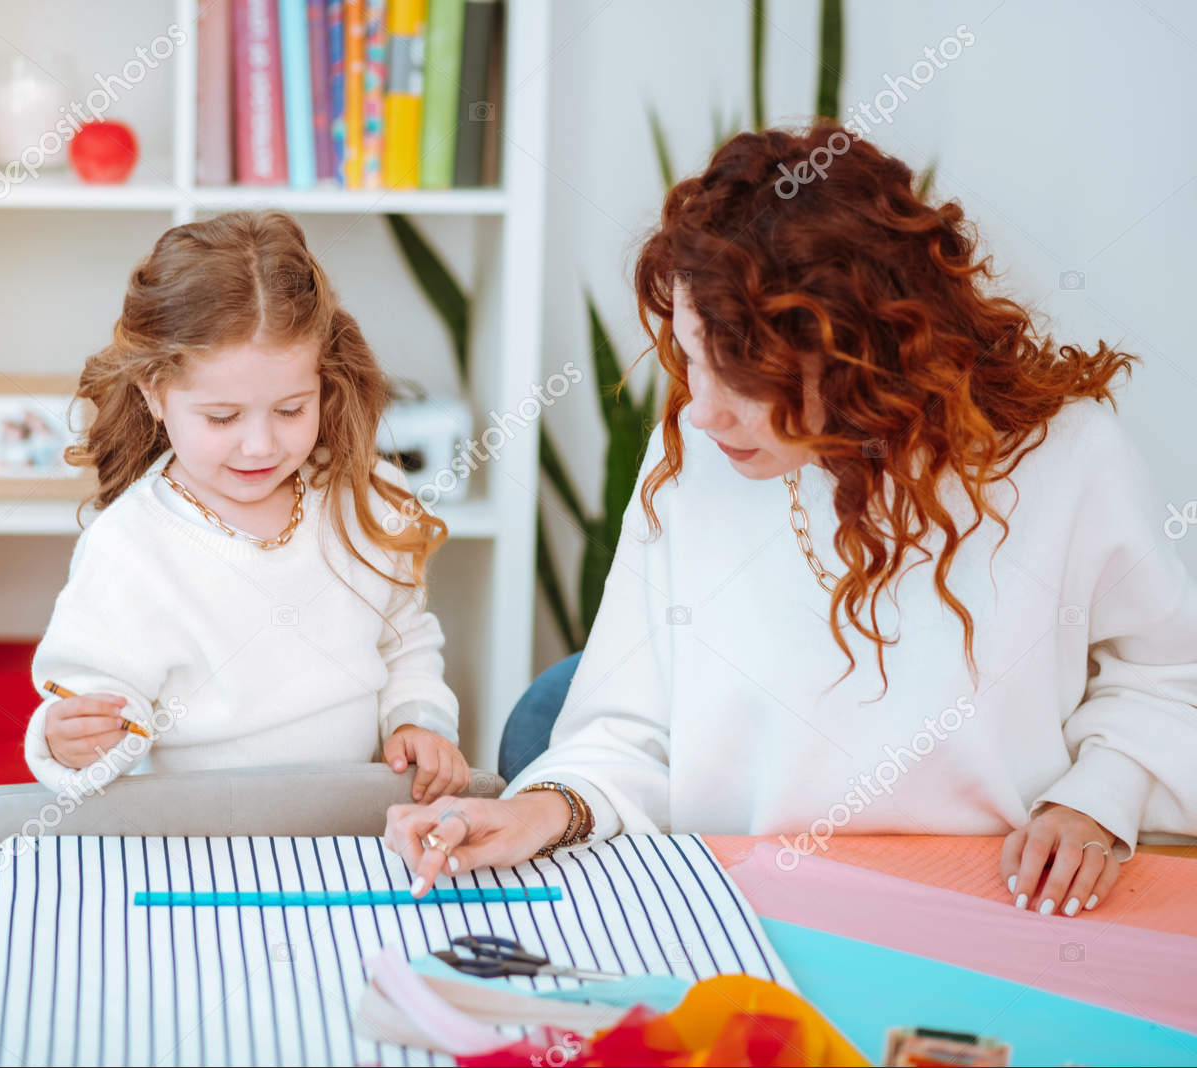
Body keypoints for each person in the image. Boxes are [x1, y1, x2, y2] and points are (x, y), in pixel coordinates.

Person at [387, 124, 1197, 913]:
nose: (700, 413)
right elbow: (627, 731)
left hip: (998, 905)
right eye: (692, 361)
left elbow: (1168, 681)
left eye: (741, 377)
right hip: (743, 907)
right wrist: (533, 811)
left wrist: (1094, 802)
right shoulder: (693, 461)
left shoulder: (1066, 457)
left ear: (861, 352)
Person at [25, 210, 468, 801]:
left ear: (322, 378)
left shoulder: (366, 495)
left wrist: (416, 719)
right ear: (155, 394)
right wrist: (68, 741)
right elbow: (90, 699)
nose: (261, 445)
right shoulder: (129, 545)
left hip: (350, 819)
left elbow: (405, 639)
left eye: (291, 410)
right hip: (197, 839)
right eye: (222, 417)